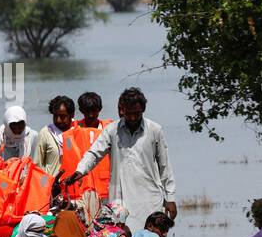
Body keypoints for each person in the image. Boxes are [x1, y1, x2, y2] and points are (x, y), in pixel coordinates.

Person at [61, 87, 178, 228]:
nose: (133, 117)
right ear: (123, 110)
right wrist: (80, 171)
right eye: (129, 113)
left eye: (137, 113)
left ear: (143, 109)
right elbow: (94, 154)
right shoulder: (112, 130)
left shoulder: (154, 130)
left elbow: (165, 167)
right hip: (121, 200)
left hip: (149, 199)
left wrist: (170, 198)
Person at [59, 92, 110, 200]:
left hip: (106, 192)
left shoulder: (110, 131)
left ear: (100, 109)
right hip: (79, 193)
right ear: (81, 110)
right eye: (87, 111)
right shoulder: (70, 134)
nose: (91, 114)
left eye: (94, 110)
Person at [34, 95, 73, 177]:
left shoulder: (77, 131)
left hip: (73, 186)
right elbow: (37, 166)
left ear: (72, 115)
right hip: (51, 186)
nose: (58, 120)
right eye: (55, 116)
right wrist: (44, 186)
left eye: (62, 116)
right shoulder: (45, 133)